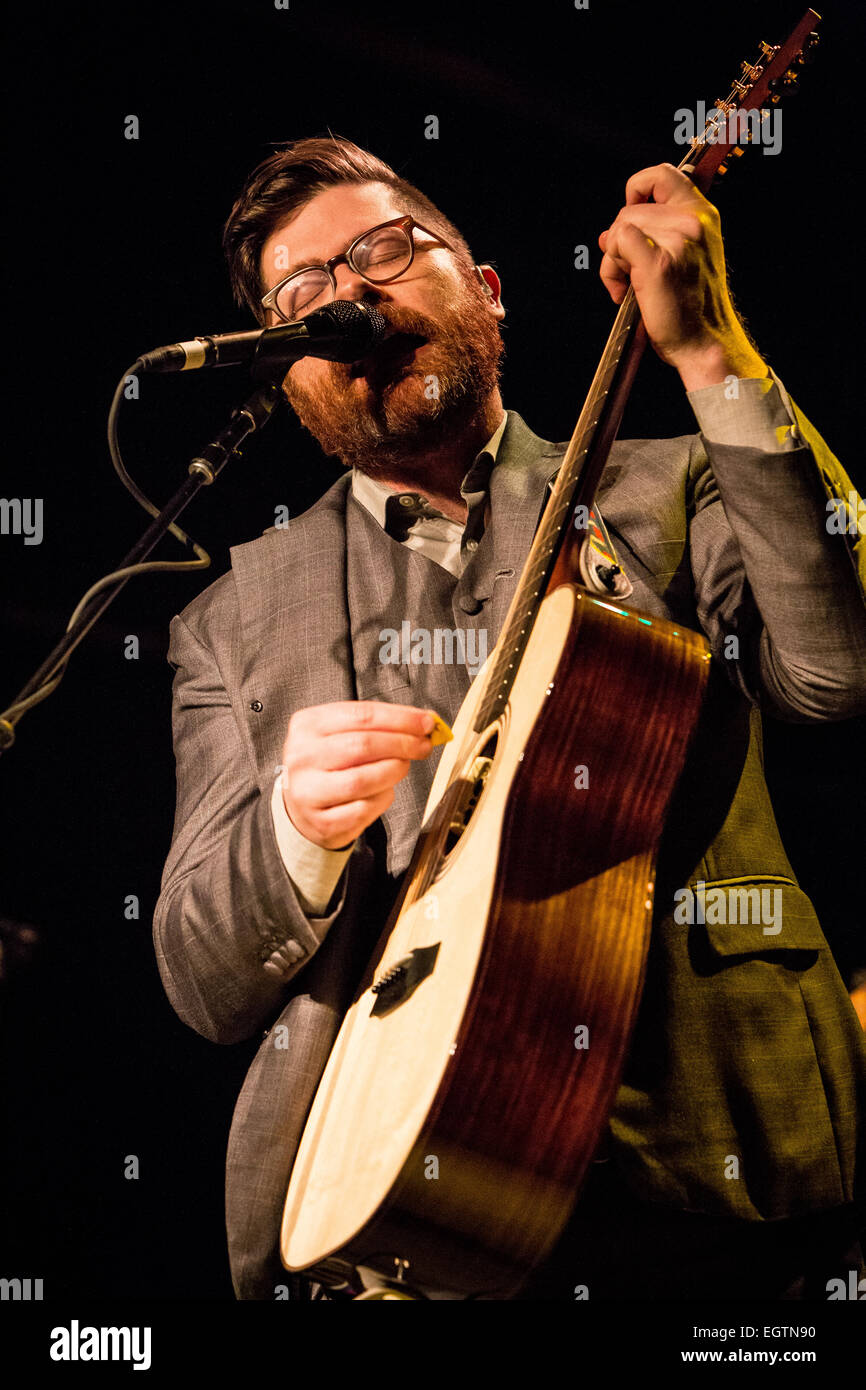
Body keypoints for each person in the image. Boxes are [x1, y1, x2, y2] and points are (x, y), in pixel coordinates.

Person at [152, 136, 866, 1301]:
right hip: (396, 1209)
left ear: (483, 291)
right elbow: (199, 974)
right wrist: (292, 829)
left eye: (385, 250)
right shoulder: (228, 620)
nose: (348, 294)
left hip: (713, 1168)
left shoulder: (674, 480)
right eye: (303, 293)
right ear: (290, 378)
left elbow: (836, 673)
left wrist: (711, 355)